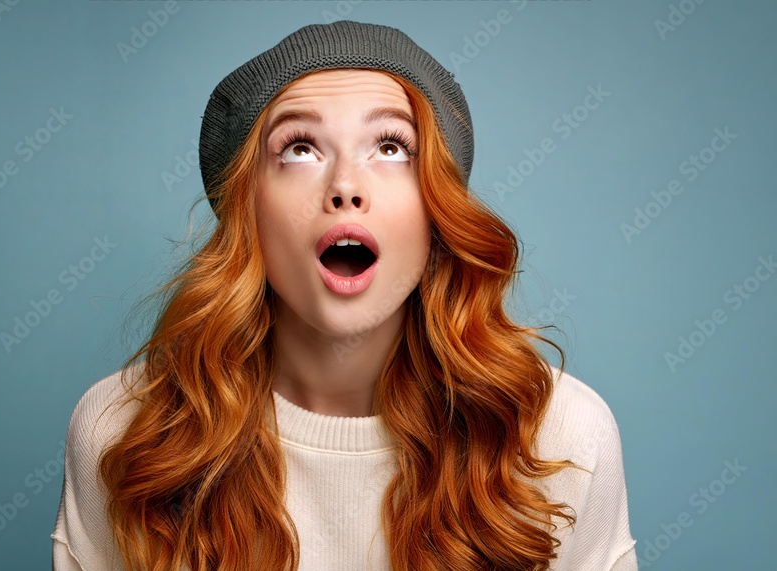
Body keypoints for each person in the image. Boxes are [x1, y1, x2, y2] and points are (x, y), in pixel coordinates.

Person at [51, 20, 638, 571]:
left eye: (390, 147)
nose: (346, 188)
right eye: (299, 148)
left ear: (437, 208)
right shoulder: (123, 431)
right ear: (247, 210)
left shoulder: (560, 435)